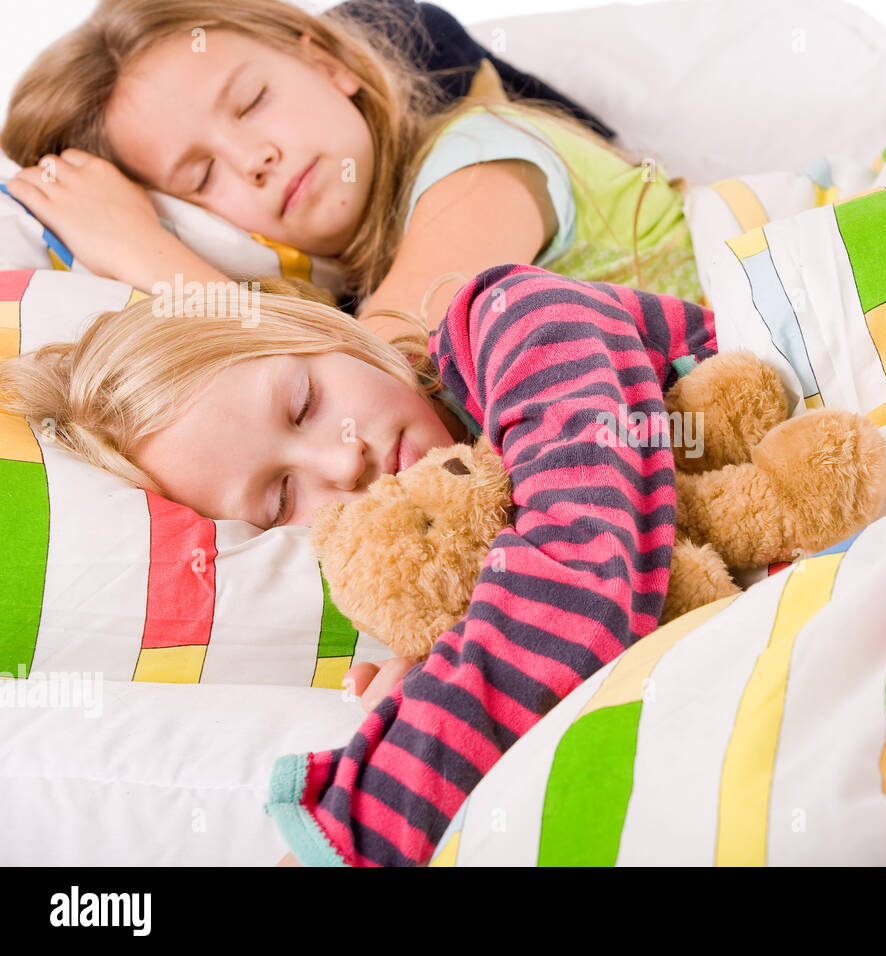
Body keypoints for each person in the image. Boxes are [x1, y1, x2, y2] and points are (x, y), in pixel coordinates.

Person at [0, 264, 718, 864]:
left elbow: (581, 578)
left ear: (321, 334)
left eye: (305, 403)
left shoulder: (518, 320)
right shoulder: (444, 566)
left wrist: (356, 827)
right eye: (282, 498)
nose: (344, 459)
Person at [1, 0, 701, 346]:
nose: (253, 159)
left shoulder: (481, 159)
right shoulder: (341, 291)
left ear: (328, 64)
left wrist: (147, 255)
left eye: (252, 102)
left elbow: (382, 369)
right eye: (201, 175)